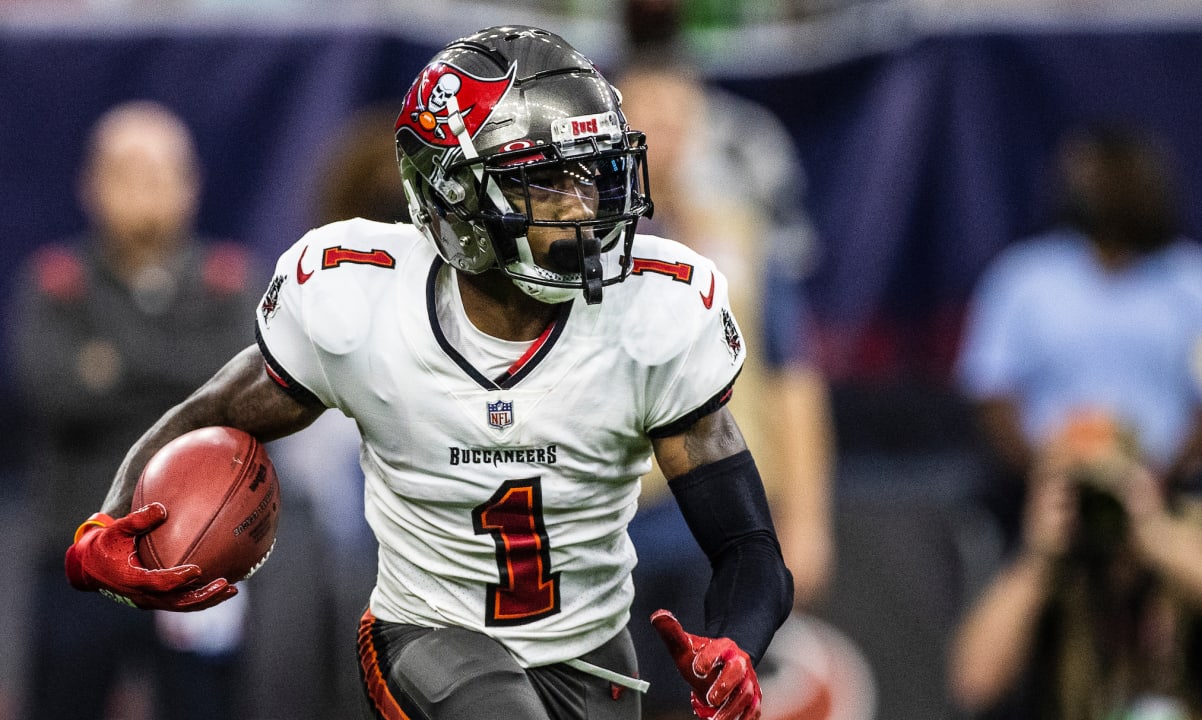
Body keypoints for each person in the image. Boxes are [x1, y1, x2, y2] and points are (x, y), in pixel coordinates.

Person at [61, 25, 793, 720]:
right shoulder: (361, 301)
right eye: (547, 183)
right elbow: (207, 417)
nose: (586, 207)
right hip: (428, 640)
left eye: (593, 173)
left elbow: (748, 547)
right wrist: (112, 517)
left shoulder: (652, 312)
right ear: (457, 201)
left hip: (590, 660)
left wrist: (734, 642)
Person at [611, 2, 841, 716]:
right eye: (645, 119)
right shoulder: (577, 246)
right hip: (607, 523)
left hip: (715, 514)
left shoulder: (743, 241)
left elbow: (794, 375)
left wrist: (808, 516)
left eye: (679, 118)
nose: (664, 135)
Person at [10, 100, 259, 719]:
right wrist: (189, 385)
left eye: (160, 172)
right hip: (80, 541)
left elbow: (249, 394)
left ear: (191, 182)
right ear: (92, 184)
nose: (145, 189)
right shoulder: (53, 284)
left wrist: (114, 365)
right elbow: (55, 393)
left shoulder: (231, 281)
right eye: (127, 172)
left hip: (203, 552)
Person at [954, 123, 1202, 547]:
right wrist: (1045, 470)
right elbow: (990, 389)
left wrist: (1162, 474)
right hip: (1045, 497)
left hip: (1170, 498)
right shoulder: (1022, 278)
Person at [948, 411, 1202, 719]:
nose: (1095, 506)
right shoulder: (1045, 560)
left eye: (1107, 487)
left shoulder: (1201, 528)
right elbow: (973, 685)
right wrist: (1038, 563)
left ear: (1152, 481)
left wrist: (1156, 538)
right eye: (1078, 491)